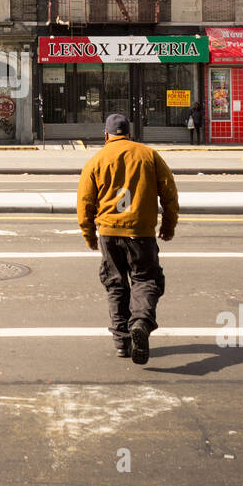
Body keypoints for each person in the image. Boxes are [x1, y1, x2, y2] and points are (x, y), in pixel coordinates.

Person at [77, 114, 179, 365]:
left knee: (115, 284)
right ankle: (141, 323)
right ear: (129, 134)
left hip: (110, 232)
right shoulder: (149, 155)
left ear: (106, 135)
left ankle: (122, 342)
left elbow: (85, 203)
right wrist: (168, 226)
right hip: (141, 233)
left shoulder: (96, 160)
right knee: (146, 280)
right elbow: (169, 194)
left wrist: (89, 235)